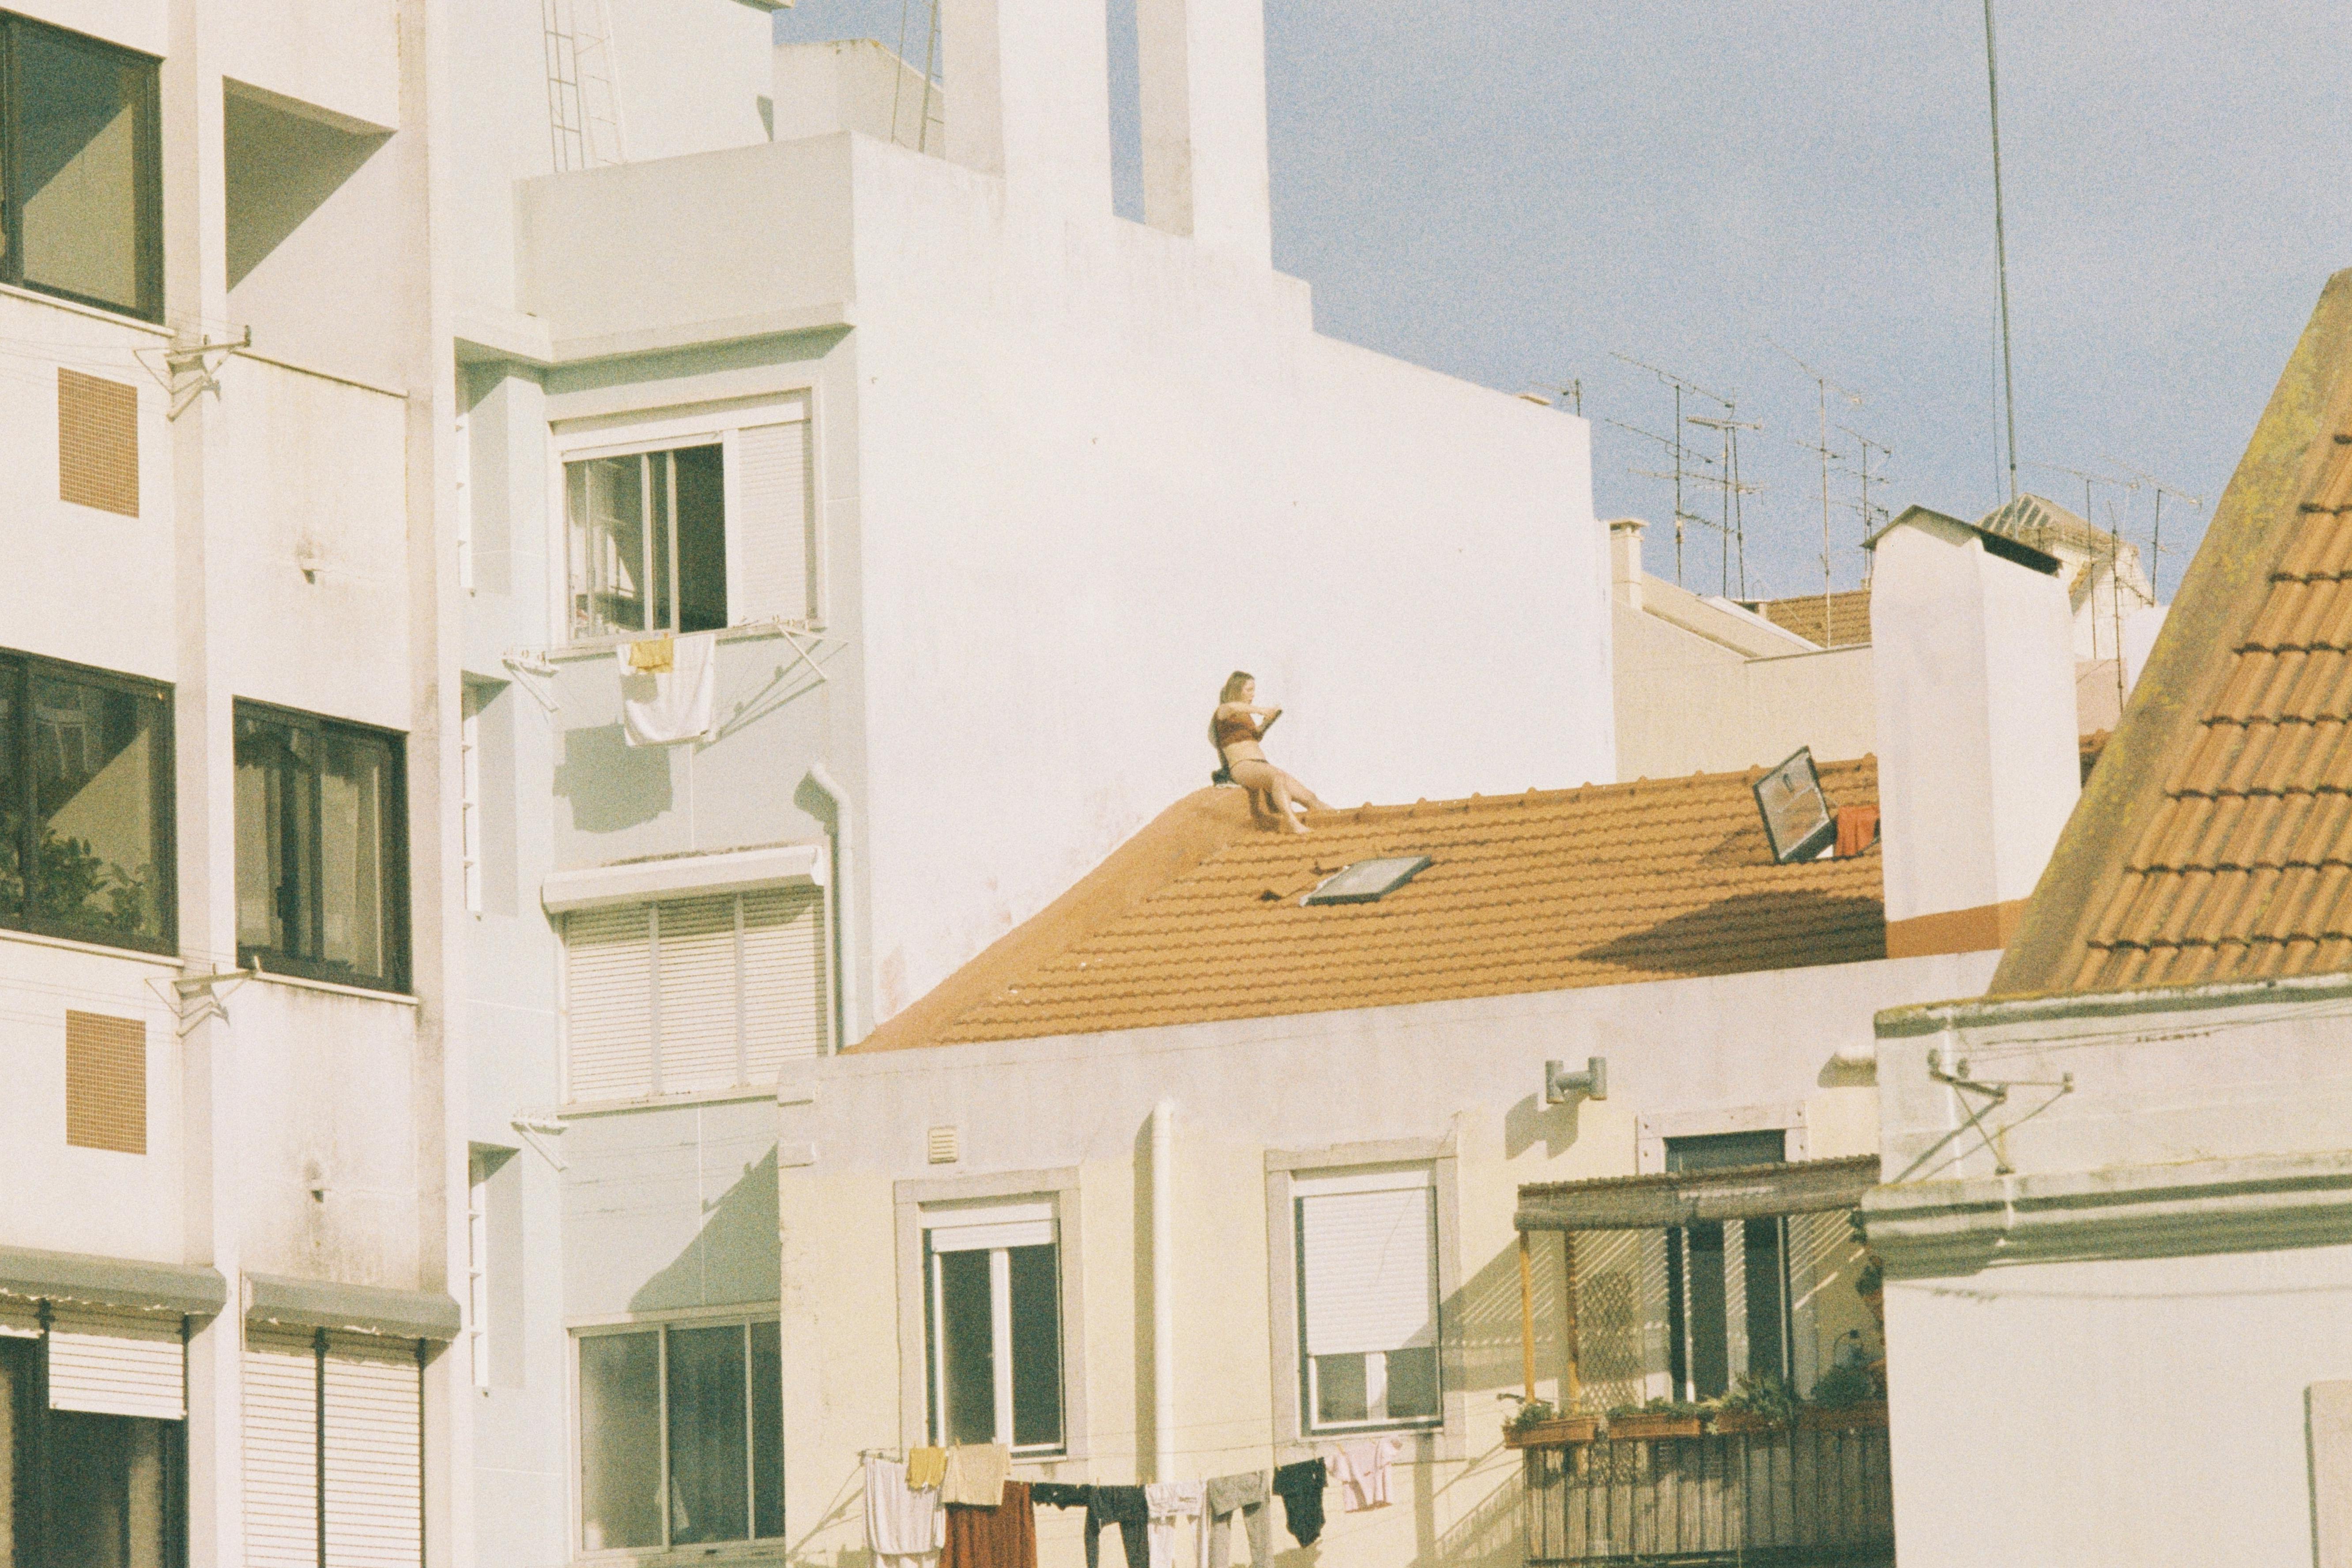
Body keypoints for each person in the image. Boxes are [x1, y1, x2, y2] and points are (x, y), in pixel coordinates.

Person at [1211, 671, 1331, 833]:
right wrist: (1261, 710)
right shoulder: (1224, 710)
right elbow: (1233, 707)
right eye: (1249, 690)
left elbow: (1255, 737)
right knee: (1278, 777)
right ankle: (1292, 823)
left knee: (1309, 797)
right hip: (1242, 765)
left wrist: (1267, 723)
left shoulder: (1246, 717)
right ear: (1237, 690)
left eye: (1253, 690)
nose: (1253, 694)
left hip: (1260, 765)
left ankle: (1340, 821)